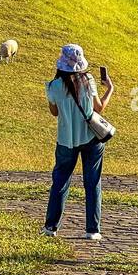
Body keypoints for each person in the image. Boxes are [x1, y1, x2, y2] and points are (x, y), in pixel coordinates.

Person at [44, 44, 113, 241]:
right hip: (91, 138)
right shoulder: (88, 80)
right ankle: (93, 229)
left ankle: (51, 226)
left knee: (60, 181)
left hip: (66, 140)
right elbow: (98, 109)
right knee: (92, 183)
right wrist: (110, 88)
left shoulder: (53, 86)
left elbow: (54, 112)